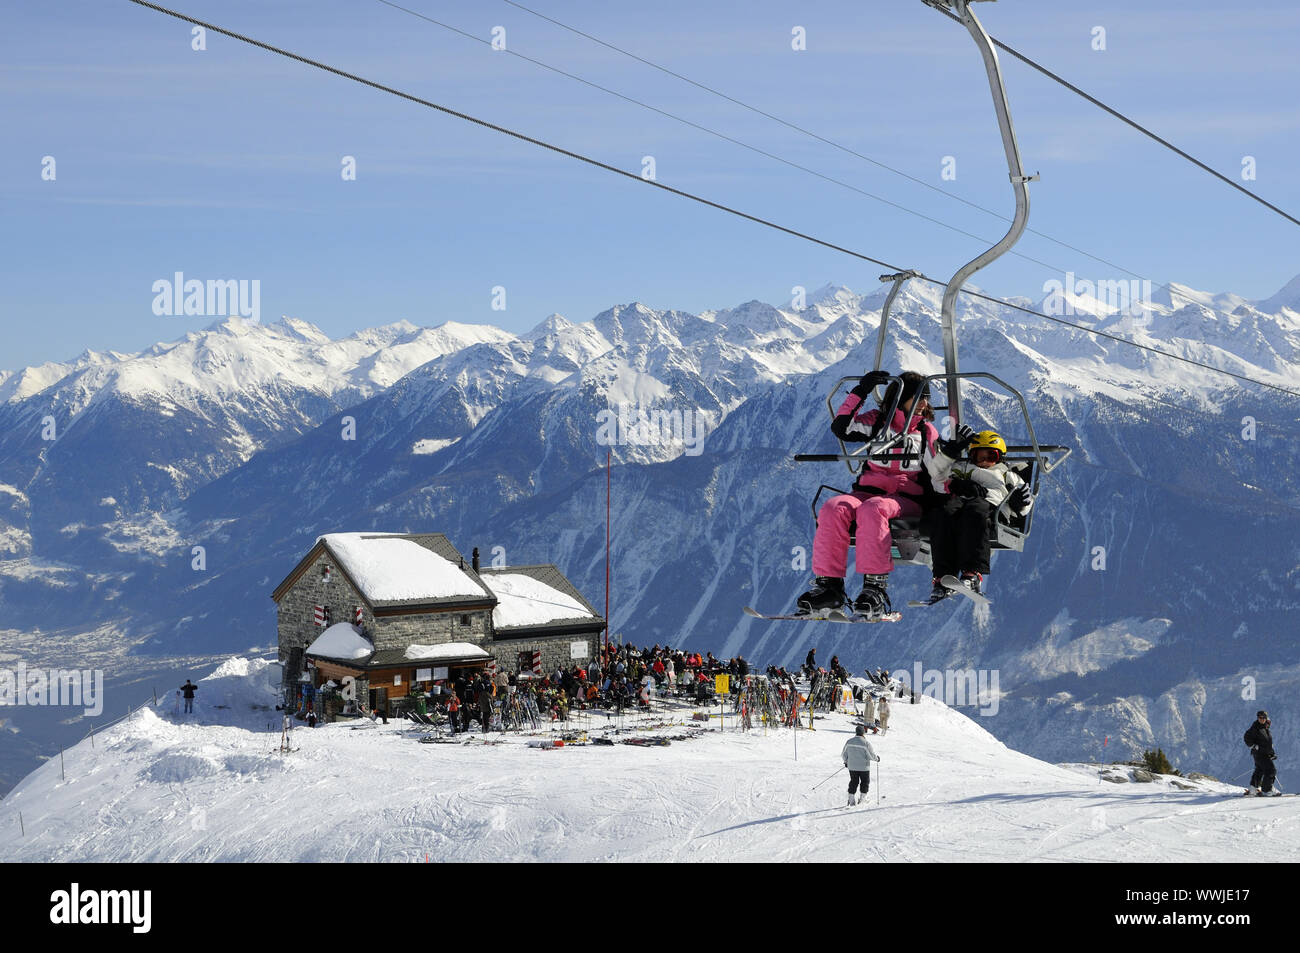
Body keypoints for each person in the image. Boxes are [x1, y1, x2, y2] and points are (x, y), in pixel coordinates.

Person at [798, 371, 941, 620]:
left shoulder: (926, 432)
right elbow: (842, 427)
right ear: (901, 397)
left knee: (874, 509)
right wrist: (861, 391)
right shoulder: (877, 422)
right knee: (834, 508)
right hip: (867, 492)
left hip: (905, 499)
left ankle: (874, 588)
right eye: (918, 398)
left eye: (925, 399)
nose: (924, 404)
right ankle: (829, 587)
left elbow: (940, 472)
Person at [926, 428, 1033, 601]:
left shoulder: (1006, 474)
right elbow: (935, 473)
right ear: (971, 456)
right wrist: (952, 452)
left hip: (991, 507)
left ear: (1000, 458)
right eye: (978, 457)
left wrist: (1019, 504)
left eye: (990, 457)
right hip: (960, 503)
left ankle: (972, 573)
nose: (983, 462)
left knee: (975, 512)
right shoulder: (959, 467)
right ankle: (942, 575)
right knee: (943, 514)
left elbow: (1026, 499)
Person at [841, 725, 881, 805]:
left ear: (856, 732)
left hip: (852, 767)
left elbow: (843, 754)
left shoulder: (849, 741)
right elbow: (871, 755)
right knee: (864, 782)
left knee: (853, 781)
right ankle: (862, 798)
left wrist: (846, 761)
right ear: (863, 733)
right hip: (864, 767)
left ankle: (851, 800)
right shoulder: (865, 743)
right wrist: (877, 759)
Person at [1244, 710, 1278, 796]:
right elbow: (1246, 737)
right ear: (1257, 718)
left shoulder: (1265, 727)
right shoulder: (1256, 727)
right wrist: (1253, 746)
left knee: (1259, 770)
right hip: (1259, 754)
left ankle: (1253, 789)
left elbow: (1267, 742)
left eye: (1263, 718)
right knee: (1271, 770)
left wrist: (1271, 753)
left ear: (1266, 718)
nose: (1262, 719)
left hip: (1264, 753)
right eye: (1260, 717)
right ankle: (1267, 790)